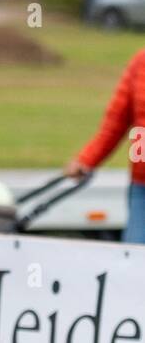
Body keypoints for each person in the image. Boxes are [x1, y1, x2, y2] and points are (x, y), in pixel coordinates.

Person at [65, 48, 145, 244]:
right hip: (142, 186)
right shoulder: (140, 62)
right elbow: (114, 124)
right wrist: (87, 159)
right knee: (134, 263)